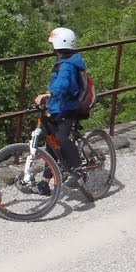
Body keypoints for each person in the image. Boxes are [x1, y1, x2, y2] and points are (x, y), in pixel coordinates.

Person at [32, 26, 88, 192]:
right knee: (51, 143)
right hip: (58, 107)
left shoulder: (67, 66)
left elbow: (62, 84)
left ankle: (79, 171)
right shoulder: (65, 62)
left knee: (61, 139)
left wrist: (48, 94)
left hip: (68, 108)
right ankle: (44, 181)